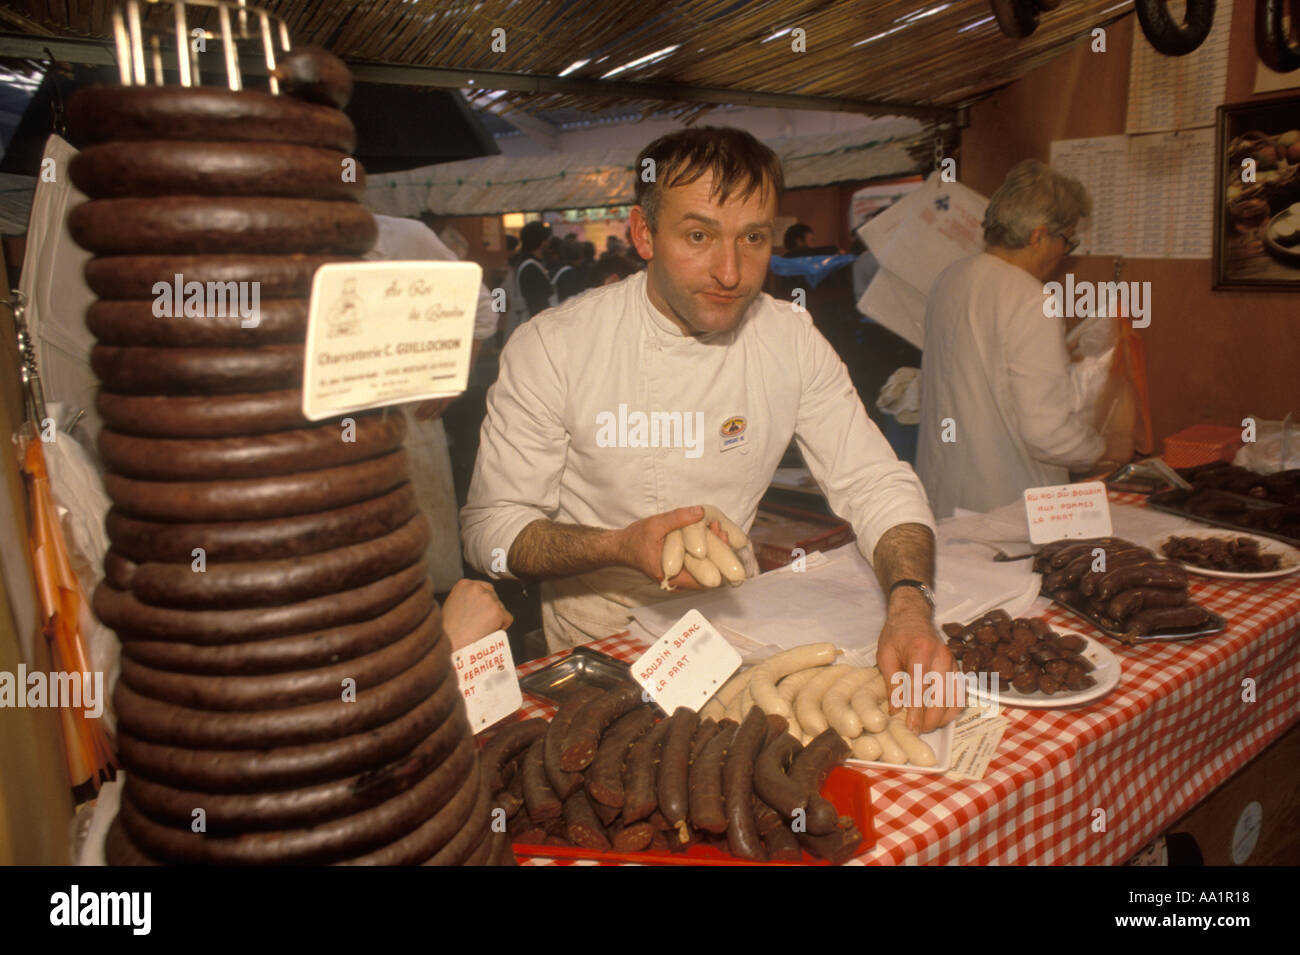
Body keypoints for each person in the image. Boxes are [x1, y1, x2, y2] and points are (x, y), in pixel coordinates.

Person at [462, 127, 960, 733]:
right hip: (599, 649)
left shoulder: (789, 338)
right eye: (698, 235)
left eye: (753, 238)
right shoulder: (555, 346)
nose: (731, 272)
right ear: (643, 234)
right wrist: (617, 545)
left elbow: (876, 480)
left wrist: (911, 604)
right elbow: (491, 531)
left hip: (731, 633)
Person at [915, 159, 1133, 519]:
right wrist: (1103, 449)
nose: (1066, 252)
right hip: (1007, 505)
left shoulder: (951, 278)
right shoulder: (1033, 299)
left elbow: (976, 368)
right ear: (1038, 236)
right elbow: (1046, 433)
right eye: (1066, 240)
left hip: (945, 494)